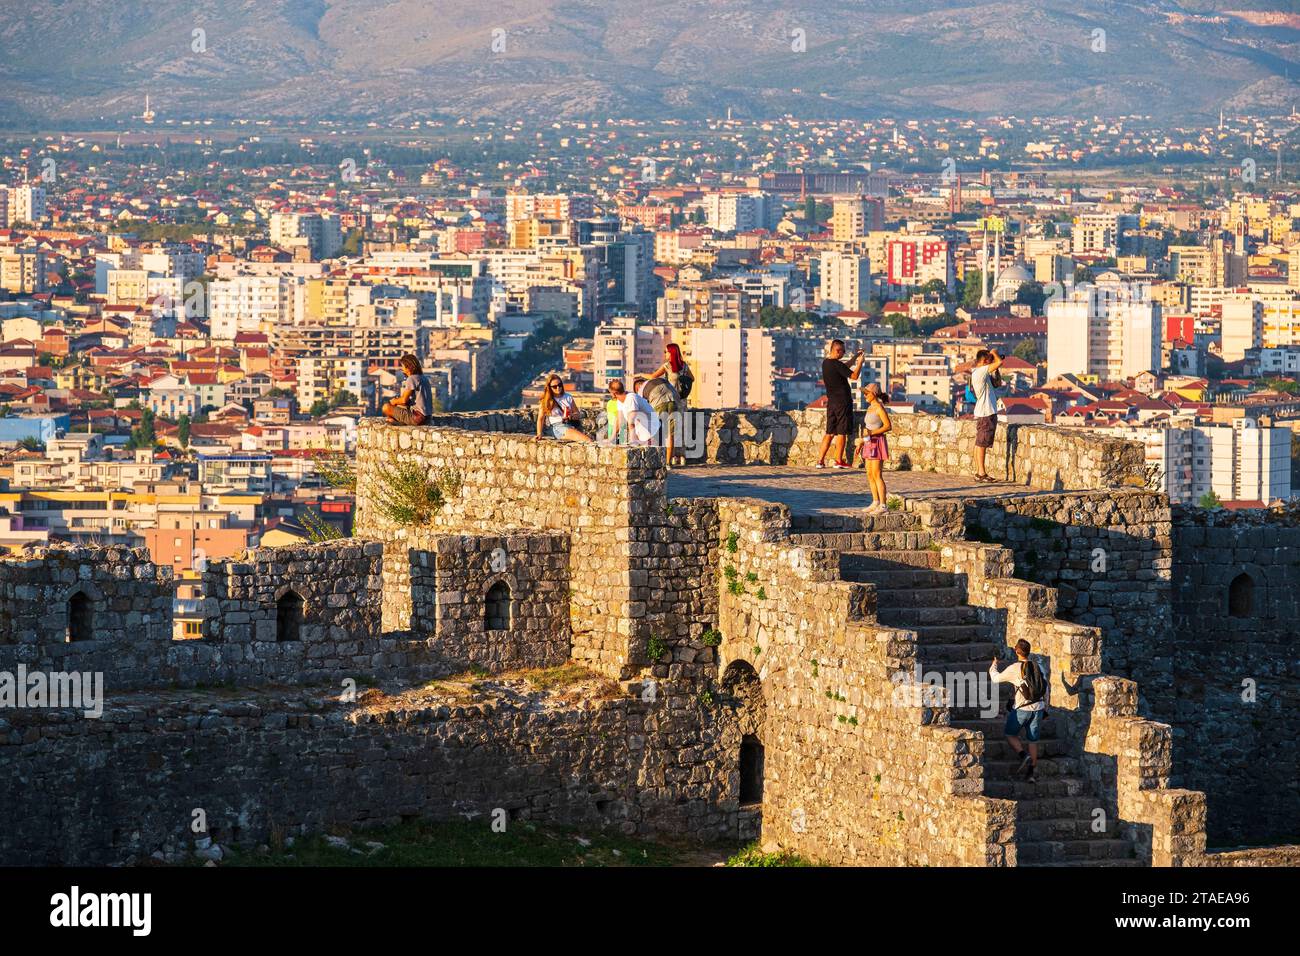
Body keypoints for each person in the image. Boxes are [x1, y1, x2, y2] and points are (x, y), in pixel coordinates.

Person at [990, 639, 1048, 782]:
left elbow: (995, 679)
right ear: (1029, 651)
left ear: (1017, 651)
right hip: (1039, 707)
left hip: (1022, 709)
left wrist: (993, 666)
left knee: (1010, 734)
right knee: (1033, 740)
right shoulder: (1039, 666)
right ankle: (1031, 775)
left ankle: (1024, 756)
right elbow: (1046, 688)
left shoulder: (1015, 668)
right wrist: (1046, 707)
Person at [816, 339, 866, 469]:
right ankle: (838, 460)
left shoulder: (826, 363)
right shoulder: (837, 365)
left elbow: (844, 367)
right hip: (842, 402)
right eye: (843, 351)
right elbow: (854, 376)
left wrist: (855, 357)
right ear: (837, 350)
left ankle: (820, 461)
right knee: (841, 432)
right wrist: (860, 363)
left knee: (829, 433)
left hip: (831, 403)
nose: (844, 353)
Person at [855, 382, 892, 512]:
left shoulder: (879, 408)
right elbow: (867, 428)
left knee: (877, 474)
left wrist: (871, 433)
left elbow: (888, 426)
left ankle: (883, 505)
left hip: (877, 442)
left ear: (874, 394)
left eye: (867, 393)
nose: (865, 395)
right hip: (868, 442)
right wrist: (861, 442)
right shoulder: (870, 408)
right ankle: (875, 501)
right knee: (870, 474)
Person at [970, 348, 1004, 482]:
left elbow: (997, 384)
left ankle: (980, 472)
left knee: (981, 443)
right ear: (984, 361)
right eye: (989, 361)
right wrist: (995, 353)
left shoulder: (983, 373)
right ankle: (981, 473)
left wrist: (996, 370)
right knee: (982, 443)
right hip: (985, 412)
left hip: (986, 412)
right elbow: (999, 362)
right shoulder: (980, 371)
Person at [638, 375, 681, 468]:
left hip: (658, 402)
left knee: (657, 433)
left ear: (638, 385)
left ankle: (657, 460)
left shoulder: (640, 390)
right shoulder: (658, 380)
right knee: (670, 434)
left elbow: (642, 408)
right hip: (673, 399)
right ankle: (668, 463)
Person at [536, 375, 592, 442]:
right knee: (588, 440)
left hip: (570, 424)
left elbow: (577, 413)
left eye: (560, 385)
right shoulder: (546, 400)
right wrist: (539, 433)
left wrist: (572, 416)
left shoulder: (568, 397)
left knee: (586, 440)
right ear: (549, 388)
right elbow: (540, 418)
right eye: (554, 386)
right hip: (558, 427)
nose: (558, 388)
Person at [382, 354, 433, 426]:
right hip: (428, 418)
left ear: (408, 367)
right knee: (400, 406)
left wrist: (393, 401)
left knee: (386, 407)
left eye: (402, 366)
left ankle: (398, 423)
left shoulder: (411, 379)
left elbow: (404, 400)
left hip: (417, 418)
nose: (402, 368)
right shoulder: (424, 378)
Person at [608, 378, 657, 446]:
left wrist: (633, 441)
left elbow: (631, 421)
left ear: (614, 393)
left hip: (651, 432)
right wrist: (612, 438)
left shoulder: (631, 398)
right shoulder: (620, 401)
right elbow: (619, 420)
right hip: (641, 433)